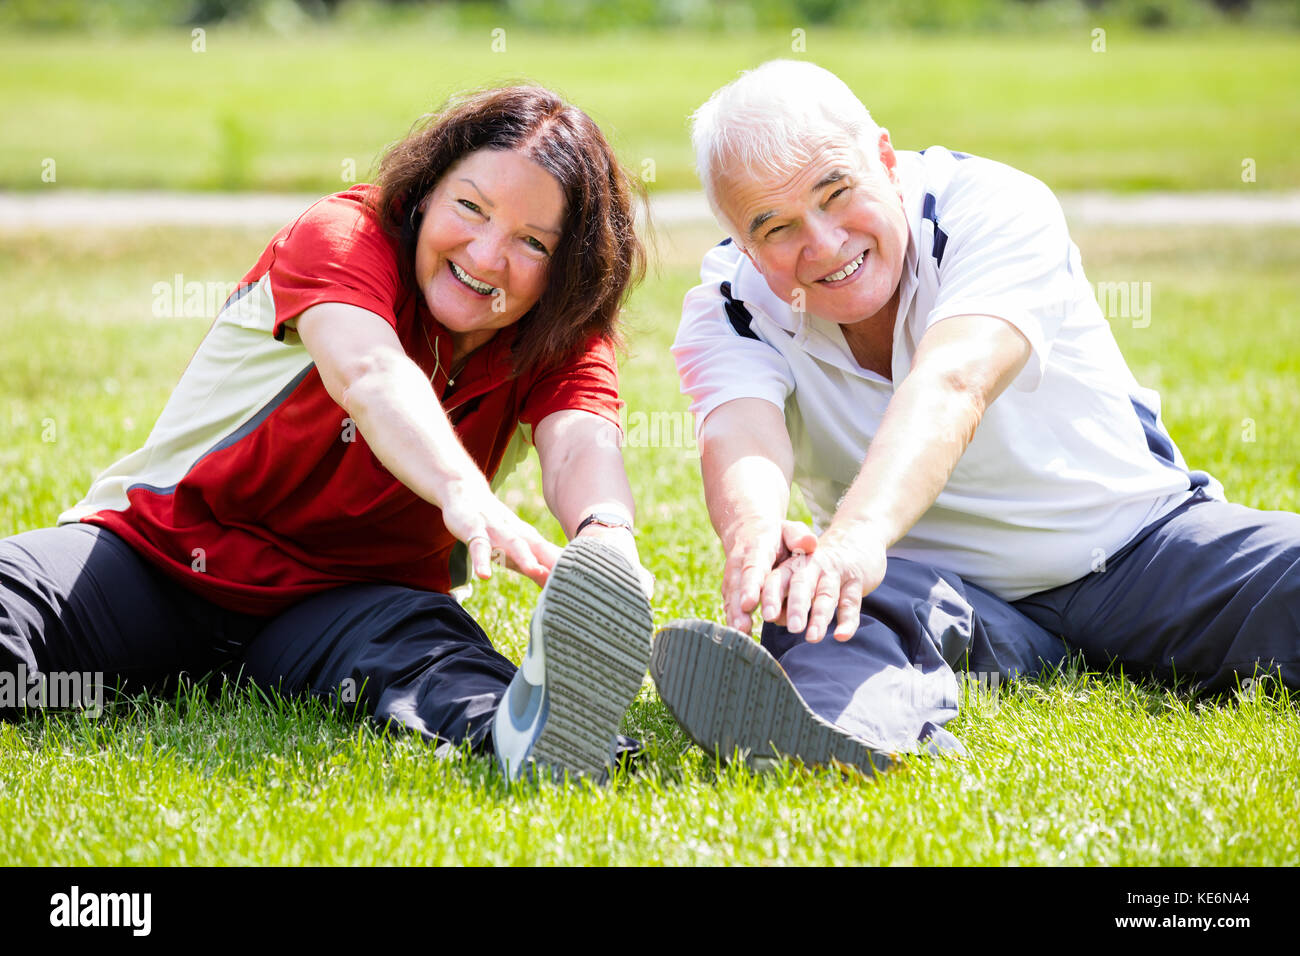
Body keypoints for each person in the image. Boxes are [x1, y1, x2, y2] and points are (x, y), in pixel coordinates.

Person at [650, 60, 1300, 775]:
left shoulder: (991, 204)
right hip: (938, 591)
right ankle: (830, 737)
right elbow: (739, 430)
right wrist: (755, 538)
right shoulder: (730, 304)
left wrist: (858, 535)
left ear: (886, 160)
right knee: (821, 600)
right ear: (745, 244)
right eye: (776, 228)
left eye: (836, 194)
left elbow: (954, 380)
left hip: (1140, 550)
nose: (825, 243)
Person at [0, 85, 656, 783]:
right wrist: (466, 493)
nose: (488, 255)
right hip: (162, 560)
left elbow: (582, 438)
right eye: (471, 207)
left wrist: (605, 535)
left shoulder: (560, 331)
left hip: (354, 601)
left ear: (564, 270)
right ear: (426, 192)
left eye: (533, 243)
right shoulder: (345, 236)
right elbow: (370, 372)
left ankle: (546, 738)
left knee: (449, 676)